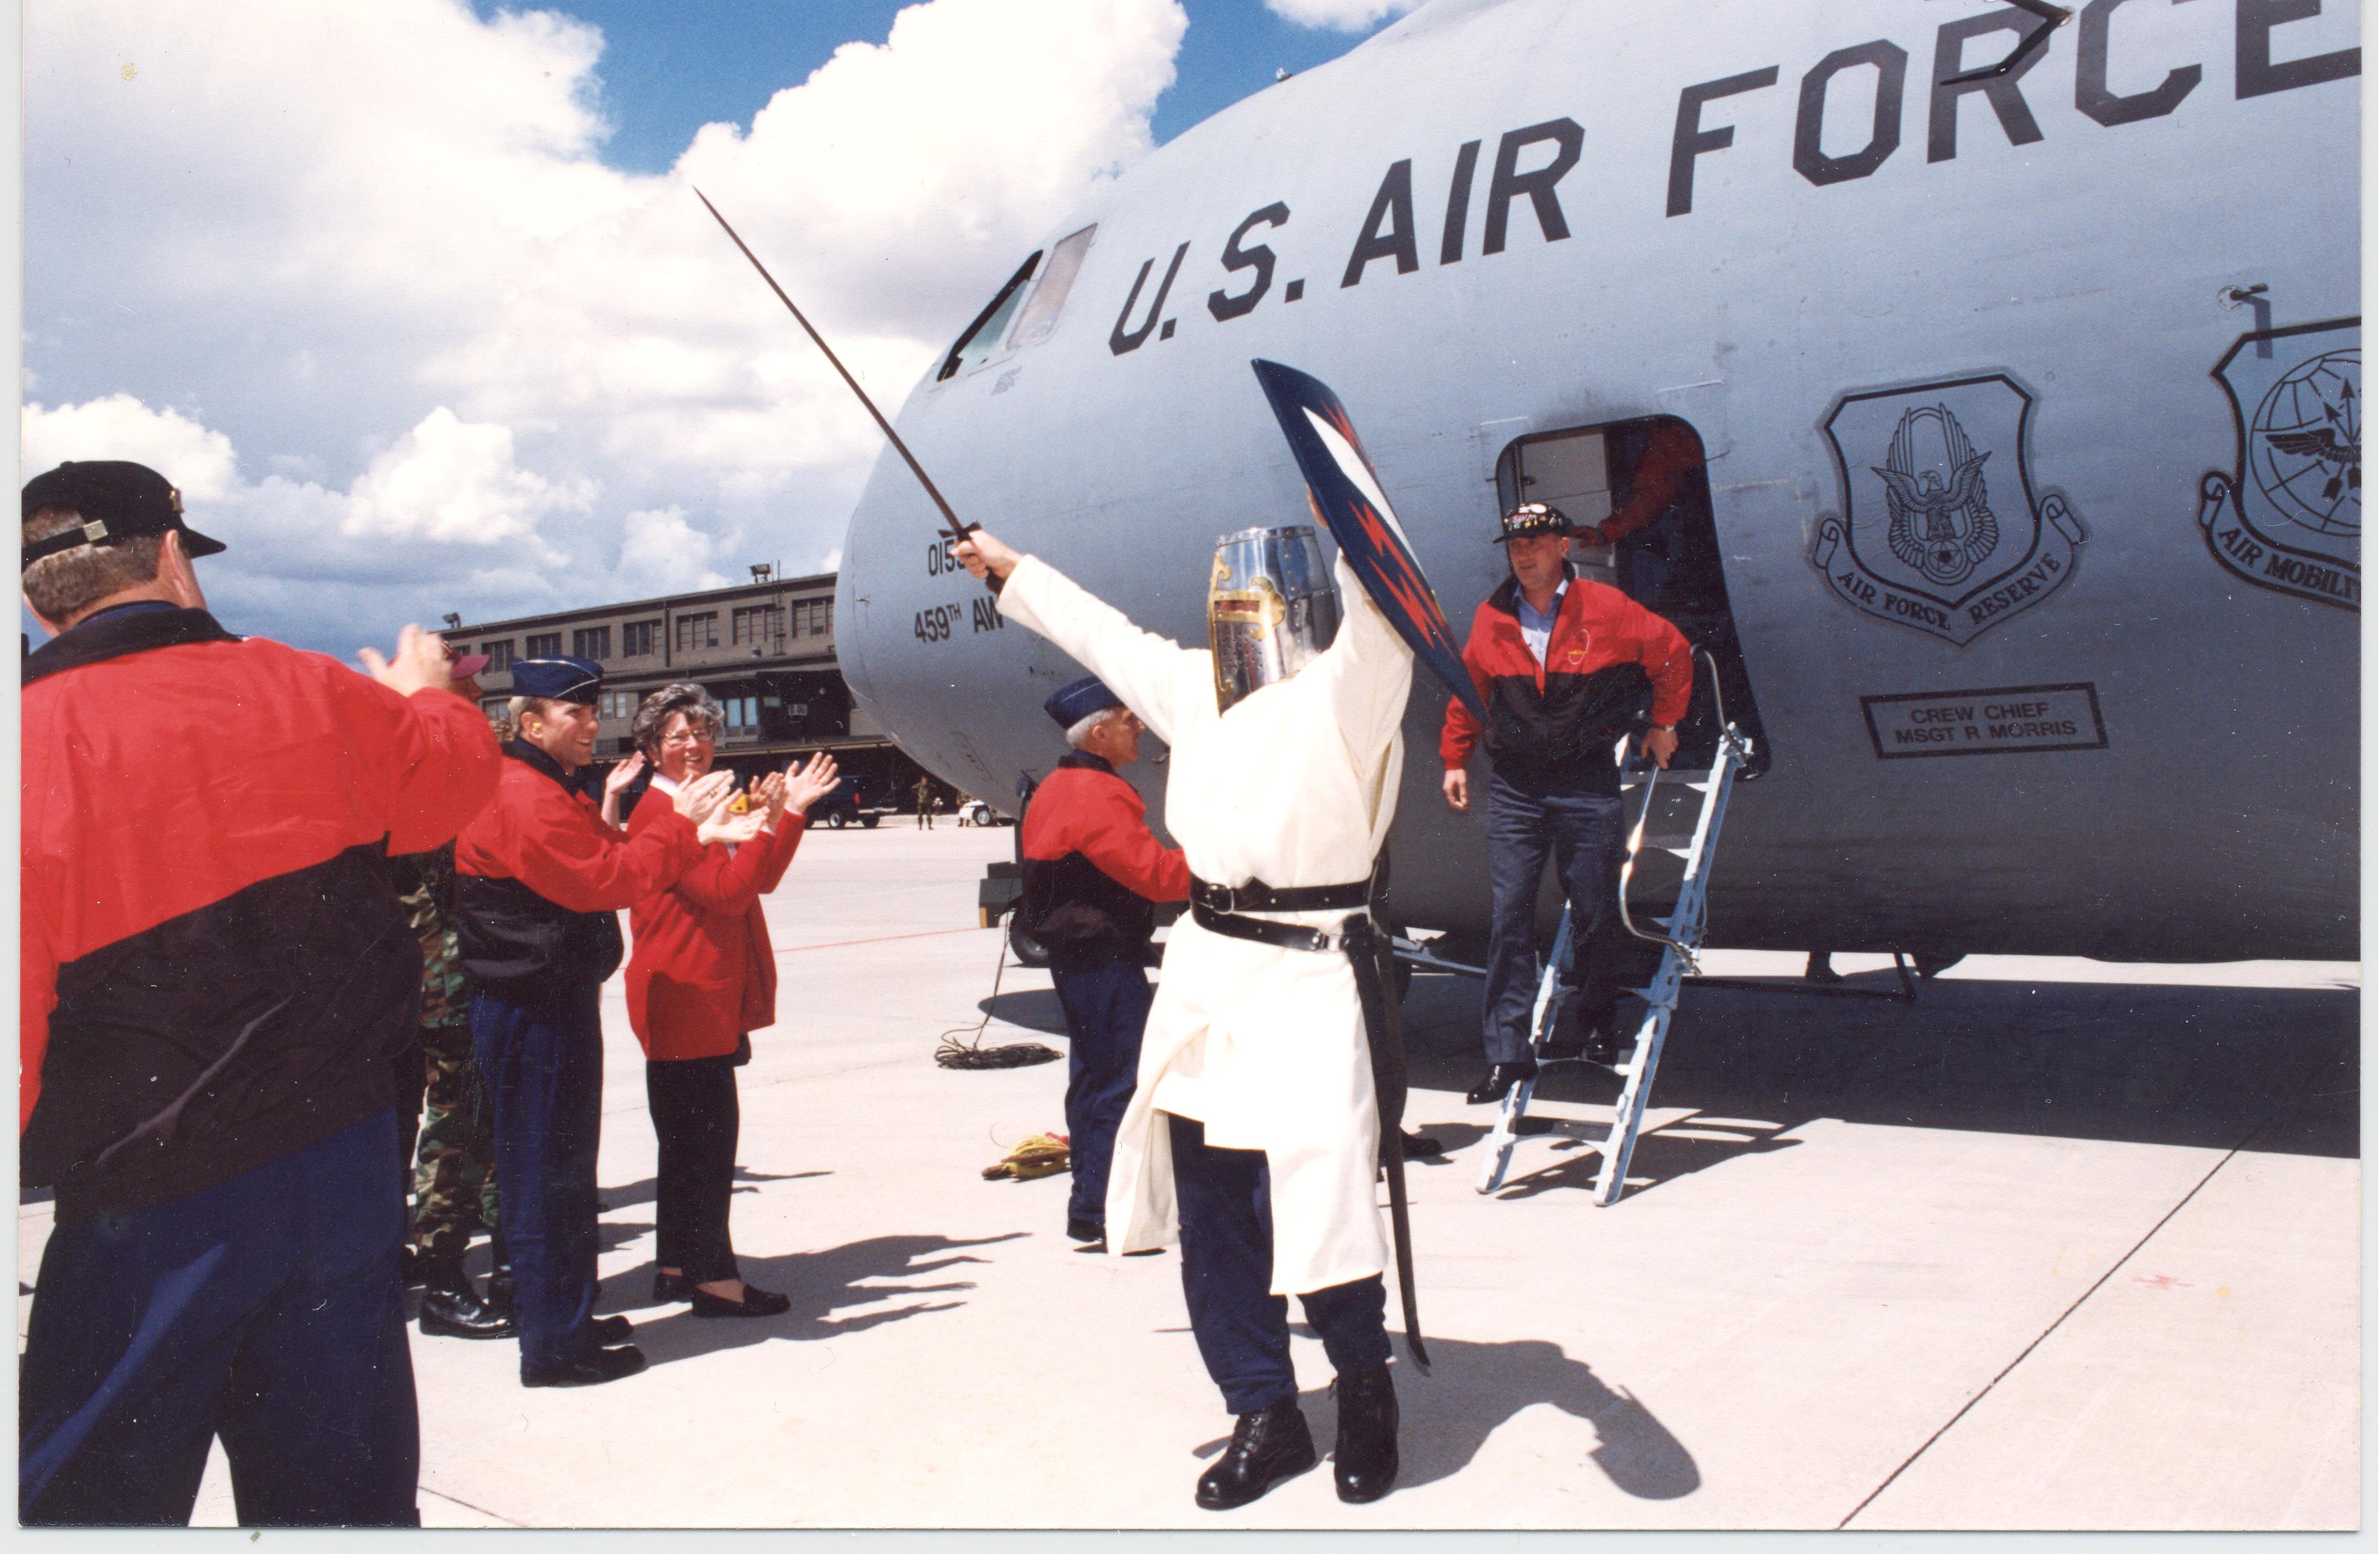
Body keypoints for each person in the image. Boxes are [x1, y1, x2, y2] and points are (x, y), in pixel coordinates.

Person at [18, 459, 501, 1524]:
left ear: (38, 599)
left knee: (91, 1508)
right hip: (341, 1175)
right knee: (344, 1503)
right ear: (173, 558)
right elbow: (454, 783)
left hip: (145, 1203)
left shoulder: (28, 743)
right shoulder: (312, 688)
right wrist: (430, 696)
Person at [957, 521, 1412, 1510]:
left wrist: (1348, 517)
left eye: (1259, 605)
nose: (1241, 623)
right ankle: (1263, 1410)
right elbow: (1097, 632)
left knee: (1320, 1199)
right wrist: (1011, 567)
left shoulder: (1350, 691)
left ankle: (1362, 1391)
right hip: (1208, 975)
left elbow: (1384, 614)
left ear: (1302, 612)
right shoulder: (1193, 690)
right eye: (1227, 605)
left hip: (1310, 976)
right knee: (1212, 1211)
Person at [455, 656, 767, 1388]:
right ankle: (553, 1346)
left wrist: (693, 830)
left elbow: (608, 854)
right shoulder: (524, 793)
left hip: (548, 1001)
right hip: (533, 1009)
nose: (592, 727)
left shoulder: (544, 787)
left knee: (560, 1173)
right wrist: (685, 827)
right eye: (576, 714)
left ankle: (562, 1318)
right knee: (546, 1176)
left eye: (595, 713)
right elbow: (607, 879)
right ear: (530, 723)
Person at [1440, 501, 1692, 1105]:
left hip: (1585, 784)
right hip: (1517, 790)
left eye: (1536, 543)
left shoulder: (1608, 609)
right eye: (1515, 546)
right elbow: (1469, 689)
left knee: (1596, 912)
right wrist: (1454, 757)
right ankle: (1506, 1055)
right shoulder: (1491, 617)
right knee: (1509, 919)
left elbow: (1672, 652)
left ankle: (1597, 1024)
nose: (1523, 555)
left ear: (1563, 547)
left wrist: (1664, 723)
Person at [623, 685, 839, 1318]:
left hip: (701, 994)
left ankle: (676, 1266)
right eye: (677, 736)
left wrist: (787, 816)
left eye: (702, 733)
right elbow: (728, 893)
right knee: (707, 1146)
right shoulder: (664, 815)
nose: (694, 745)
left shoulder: (702, 803)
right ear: (651, 749)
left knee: (686, 1143)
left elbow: (758, 877)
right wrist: (772, 821)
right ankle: (714, 1279)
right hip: (687, 994)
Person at [1018, 677, 1189, 1251]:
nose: (1137, 727)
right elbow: (1157, 876)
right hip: (1101, 955)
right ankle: (1104, 1208)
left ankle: (1089, 1205)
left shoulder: (1059, 786)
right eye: (1126, 718)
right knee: (1119, 1078)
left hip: (1078, 956)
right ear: (1097, 734)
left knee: (1093, 1077)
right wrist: (1223, 857)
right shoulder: (1096, 793)